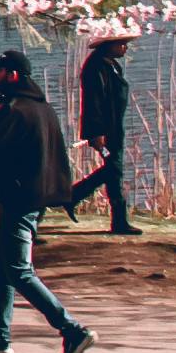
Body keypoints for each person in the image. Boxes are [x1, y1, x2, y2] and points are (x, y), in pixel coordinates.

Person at [0, 53, 90, 353]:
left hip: (20, 200)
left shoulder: (16, 111)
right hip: (35, 197)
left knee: (19, 270)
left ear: (13, 75)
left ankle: (72, 329)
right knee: (1, 265)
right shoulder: (41, 107)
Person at [67, 30, 136, 235]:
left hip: (114, 127)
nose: (125, 47)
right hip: (104, 131)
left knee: (113, 170)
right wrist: (96, 133)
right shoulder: (95, 67)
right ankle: (119, 222)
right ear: (109, 45)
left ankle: (74, 196)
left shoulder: (111, 65)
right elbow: (93, 102)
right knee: (114, 170)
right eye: (121, 44)